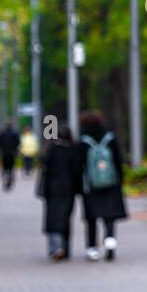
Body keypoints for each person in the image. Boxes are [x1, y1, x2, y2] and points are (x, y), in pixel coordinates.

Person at [79, 110, 128, 261]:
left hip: (90, 185)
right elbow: (119, 160)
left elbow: (78, 164)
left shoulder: (82, 140)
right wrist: (120, 179)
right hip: (111, 183)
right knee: (110, 215)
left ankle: (92, 248)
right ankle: (110, 241)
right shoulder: (110, 138)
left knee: (92, 217)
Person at [37, 125, 80, 260]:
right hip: (69, 189)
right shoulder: (74, 150)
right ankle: (66, 249)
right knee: (66, 218)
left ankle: (54, 248)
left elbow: (44, 164)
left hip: (52, 189)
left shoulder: (51, 149)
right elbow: (78, 170)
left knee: (52, 217)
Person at [0, 122, 19, 190]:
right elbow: (18, 143)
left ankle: (5, 180)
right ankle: (9, 179)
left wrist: (0, 150)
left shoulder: (2, 133)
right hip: (12, 154)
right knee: (11, 168)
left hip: (4, 154)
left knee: (4, 168)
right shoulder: (15, 134)